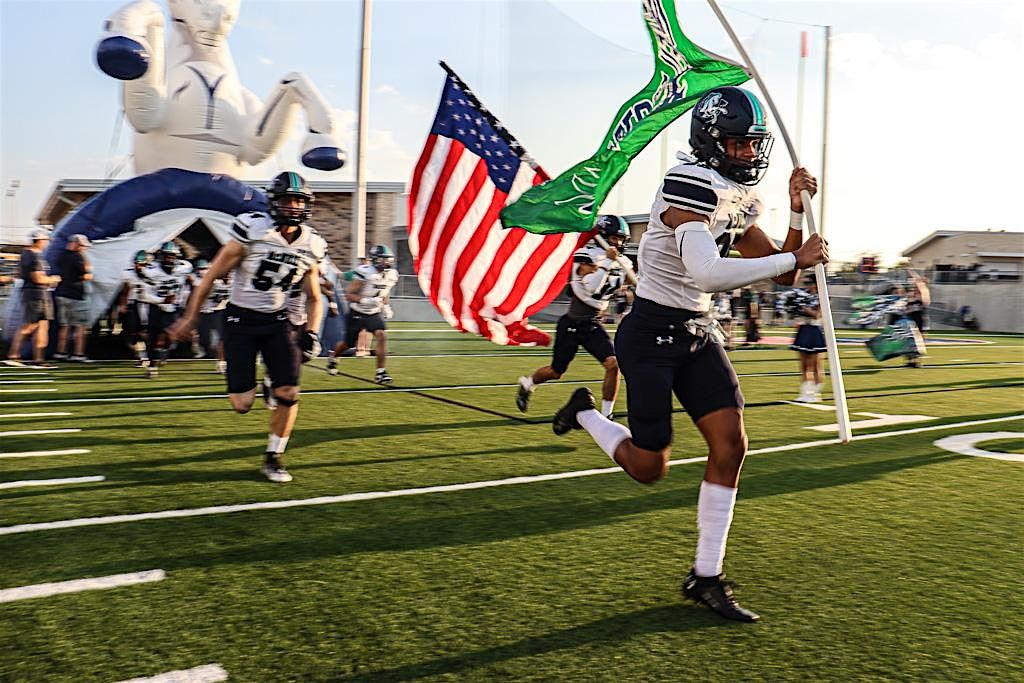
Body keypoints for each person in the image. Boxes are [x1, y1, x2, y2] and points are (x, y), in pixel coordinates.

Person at [549, 86, 828, 622]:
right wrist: (794, 253)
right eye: (739, 144)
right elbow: (707, 272)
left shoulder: (737, 196)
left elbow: (786, 269)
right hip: (651, 331)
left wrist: (795, 215)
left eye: (754, 145)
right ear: (711, 140)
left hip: (697, 331)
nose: (750, 154)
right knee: (650, 466)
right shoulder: (686, 184)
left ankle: (706, 576)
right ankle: (584, 410)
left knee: (732, 445)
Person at [169, 171, 325, 483]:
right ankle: (263, 382)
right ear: (274, 202)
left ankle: (274, 456)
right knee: (242, 404)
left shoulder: (313, 245)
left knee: (289, 392)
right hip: (240, 320)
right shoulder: (253, 230)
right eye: (287, 200)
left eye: (299, 200)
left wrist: (312, 332)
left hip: (278, 322)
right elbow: (211, 275)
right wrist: (189, 317)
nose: (293, 207)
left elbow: (314, 297)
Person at [515, 215, 629, 419]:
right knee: (556, 372)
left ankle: (606, 415)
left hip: (592, 324)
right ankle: (528, 383)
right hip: (572, 324)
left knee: (614, 364)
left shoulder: (621, 261)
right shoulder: (587, 254)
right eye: (615, 238)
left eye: (621, 239)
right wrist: (607, 264)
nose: (619, 243)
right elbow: (592, 286)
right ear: (603, 235)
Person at [327, 245, 398, 384]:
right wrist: (366, 300)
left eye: (388, 259)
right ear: (375, 260)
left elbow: (385, 290)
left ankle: (380, 373)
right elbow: (349, 295)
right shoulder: (365, 272)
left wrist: (386, 305)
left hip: (373, 313)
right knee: (348, 344)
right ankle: (333, 357)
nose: (386, 263)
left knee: (382, 335)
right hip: (357, 312)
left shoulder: (392, 274)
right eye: (383, 260)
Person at [5, 229, 60, 368]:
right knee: (30, 325)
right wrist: (52, 279)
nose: (47, 243)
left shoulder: (33, 255)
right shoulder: (32, 256)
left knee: (42, 326)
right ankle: (13, 355)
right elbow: (37, 278)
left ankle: (39, 359)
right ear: (40, 241)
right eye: (46, 241)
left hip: (39, 294)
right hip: (36, 294)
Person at [138, 241, 193, 378]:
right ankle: (151, 366)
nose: (169, 259)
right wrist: (162, 300)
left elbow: (189, 278)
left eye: (171, 256)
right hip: (155, 307)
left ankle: (163, 352)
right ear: (161, 256)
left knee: (170, 336)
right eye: (166, 256)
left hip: (172, 308)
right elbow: (144, 295)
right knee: (153, 338)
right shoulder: (151, 271)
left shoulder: (183, 268)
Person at [53, 234, 94, 362]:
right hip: (75, 295)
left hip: (61, 294)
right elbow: (86, 274)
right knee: (80, 326)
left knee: (64, 326)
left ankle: (61, 352)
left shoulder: (61, 255)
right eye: (82, 246)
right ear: (76, 244)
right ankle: (78, 354)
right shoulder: (78, 257)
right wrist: (85, 260)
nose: (84, 248)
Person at [786, 277, 826, 402]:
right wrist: (792, 307)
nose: (806, 286)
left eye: (809, 283)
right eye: (805, 283)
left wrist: (801, 306)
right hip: (803, 330)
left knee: (815, 365)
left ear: (816, 284)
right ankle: (805, 392)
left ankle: (815, 394)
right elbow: (794, 313)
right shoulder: (802, 296)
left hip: (814, 331)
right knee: (803, 365)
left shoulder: (823, 297)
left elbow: (816, 315)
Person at [194, 259, 232, 373]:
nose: (227, 275)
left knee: (222, 338)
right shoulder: (212, 281)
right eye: (225, 273)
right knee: (206, 341)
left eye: (229, 273)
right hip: (205, 311)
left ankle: (221, 362)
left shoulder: (235, 281)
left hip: (220, 311)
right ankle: (213, 355)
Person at [118, 250, 152, 367]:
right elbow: (125, 290)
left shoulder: (155, 273)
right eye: (137, 263)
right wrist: (123, 305)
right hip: (135, 304)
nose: (139, 266)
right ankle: (143, 357)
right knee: (134, 334)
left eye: (142, 264)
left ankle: (149, 356)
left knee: (147, 333)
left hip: (149, 304)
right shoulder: (129, 274)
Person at [904, 270, 930, 368]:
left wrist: (913, 274)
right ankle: (910, 360)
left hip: (920, 319)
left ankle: (917, 361)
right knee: (909, 339)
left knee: (919, 341)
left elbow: (920, 285)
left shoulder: (924, 293)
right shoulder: (911, 295)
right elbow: (906, 307)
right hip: (910, 318)